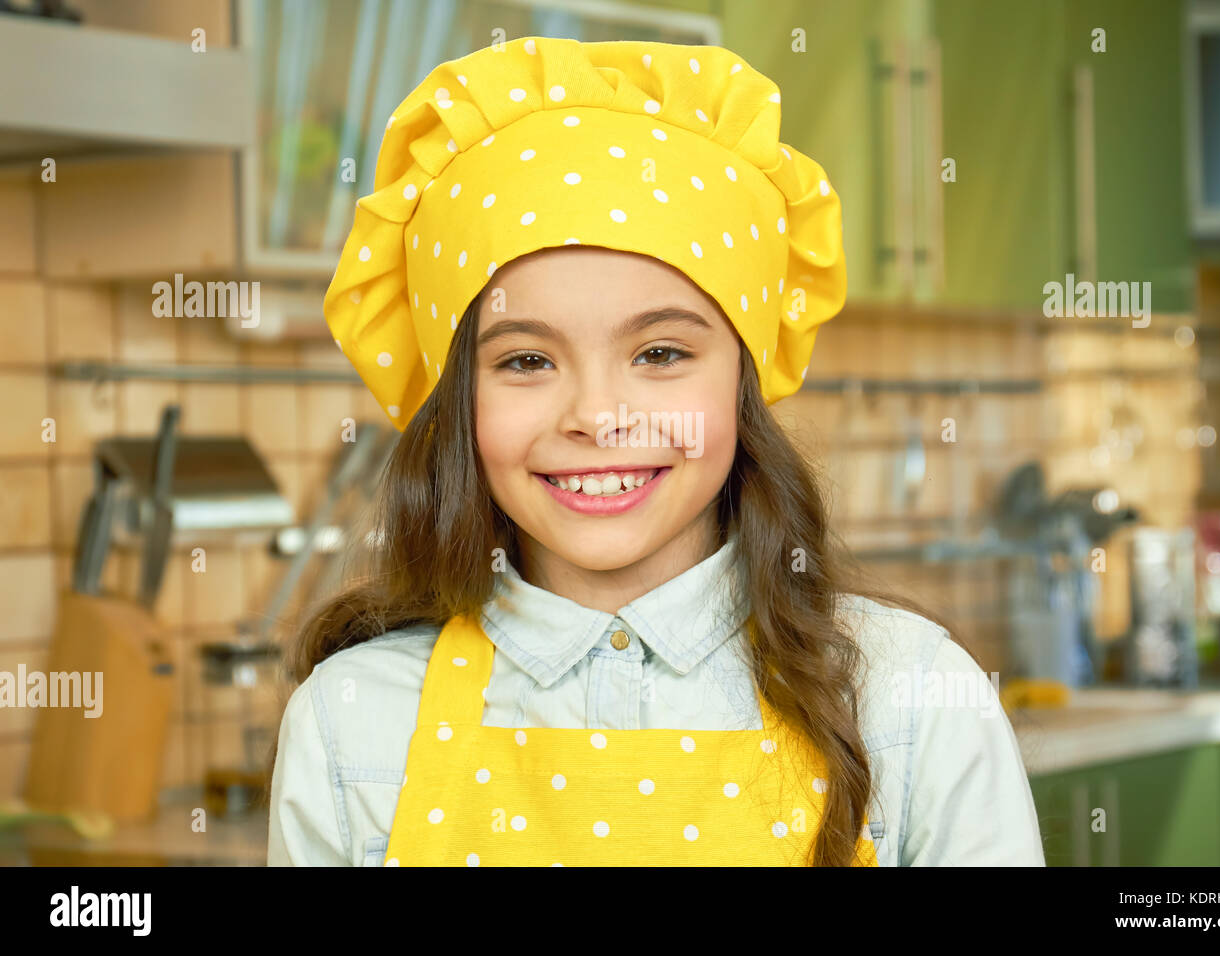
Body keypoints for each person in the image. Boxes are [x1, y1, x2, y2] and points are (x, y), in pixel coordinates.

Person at [266, 34, 1044, 867]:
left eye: (661, 353)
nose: (600, 418)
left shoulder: (914, 699)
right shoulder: (350, 721)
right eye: (526, 360)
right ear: (460, 405)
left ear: (740, 382)